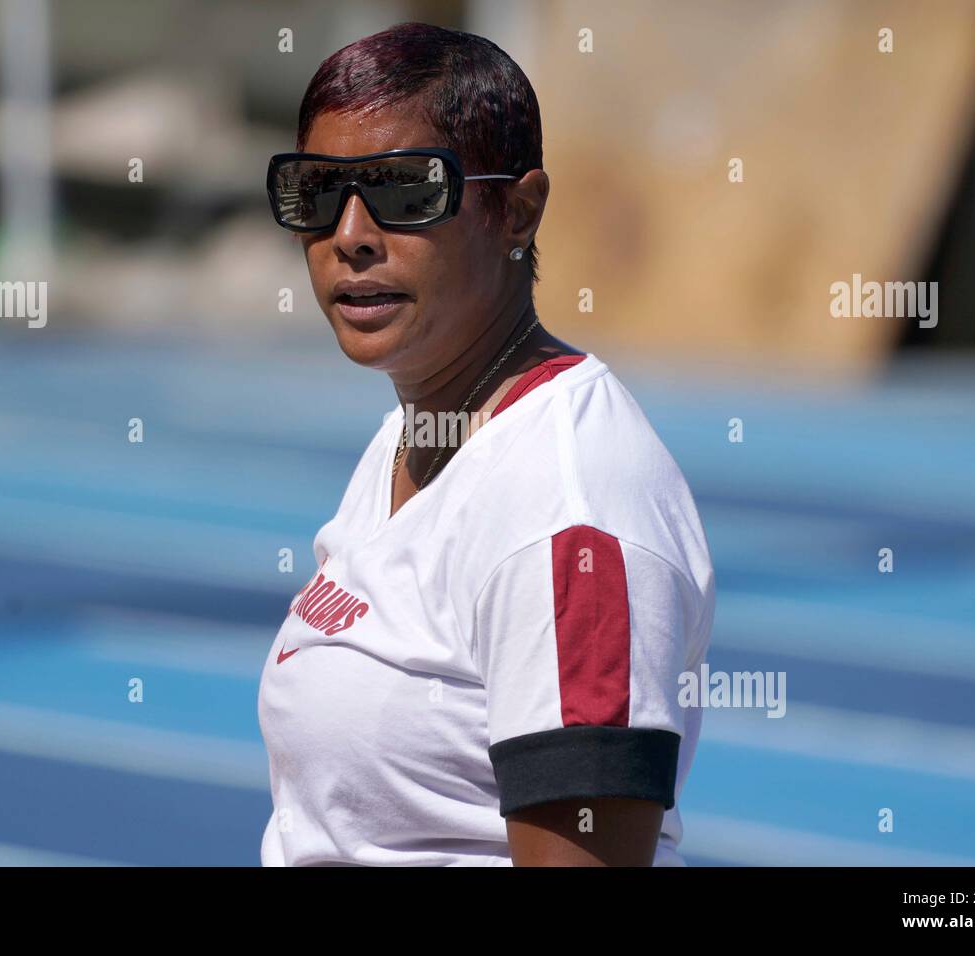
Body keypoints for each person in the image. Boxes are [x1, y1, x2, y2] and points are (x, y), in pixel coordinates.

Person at [257, 21, 715, 866]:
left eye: (404, 189)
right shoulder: (412, 429)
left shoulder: (567, 511)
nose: (351, 233)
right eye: (316, 191)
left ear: (518, 209)